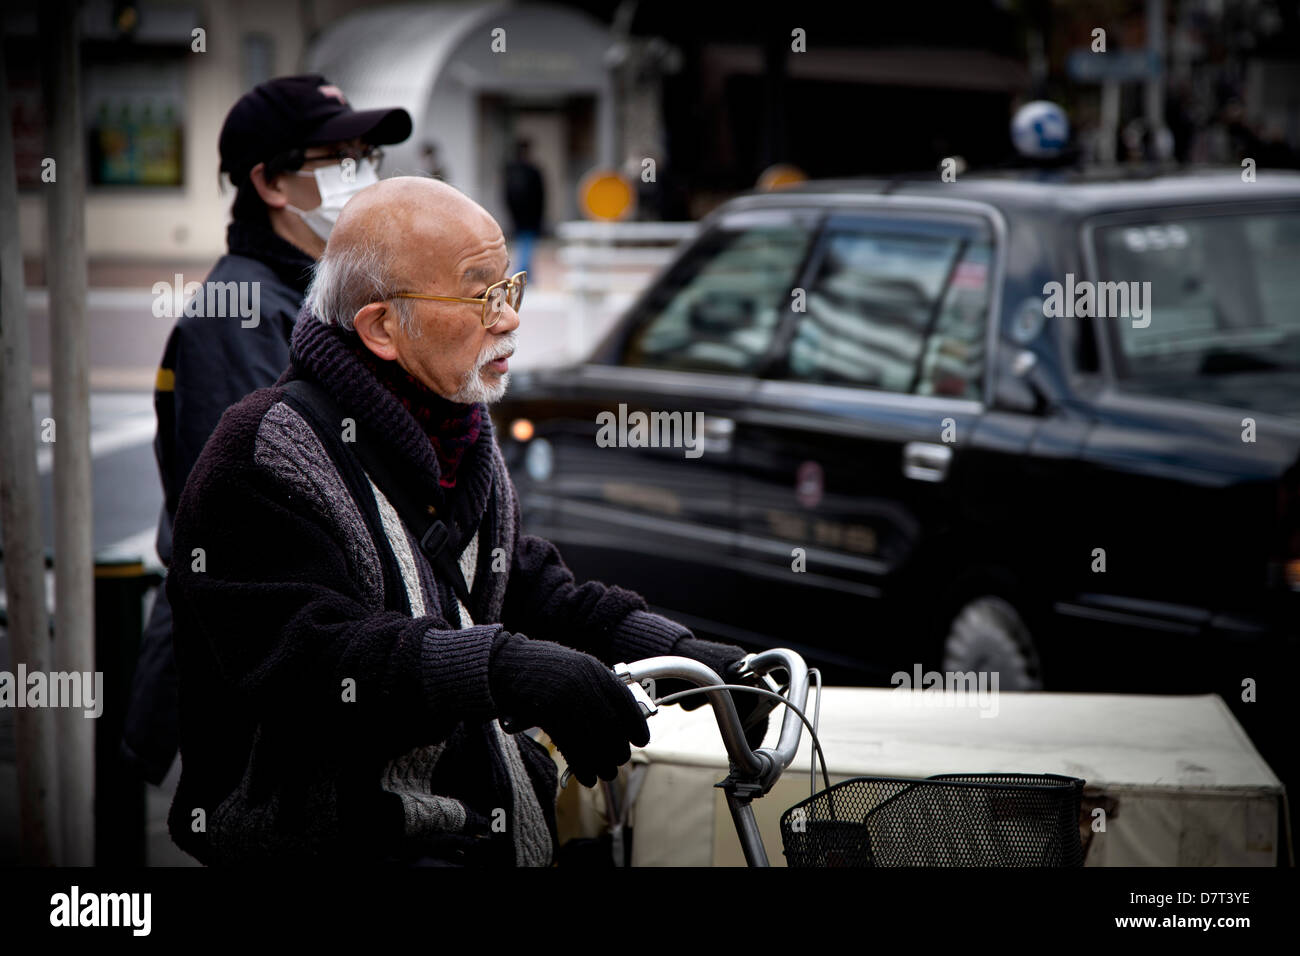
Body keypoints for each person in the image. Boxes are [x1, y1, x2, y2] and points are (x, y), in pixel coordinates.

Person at [164, 176, 767, 865]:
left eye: (510, 288)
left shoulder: (456, 425)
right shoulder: (262, 450)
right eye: (481, 296)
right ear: (382, 327)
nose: (509, 318)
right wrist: (504, 667)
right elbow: (317, 660)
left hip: (488, 827)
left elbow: (515, 579)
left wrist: (677, 654)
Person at [121, 75, 411, 786]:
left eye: (368, 156)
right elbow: (252, 513)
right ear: (270, 183)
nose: (362, 176)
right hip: (266, 681)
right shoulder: (240, 310)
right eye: (338, 159)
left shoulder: (321, 297)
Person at [503, 138, 544, 275]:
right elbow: (540, 197)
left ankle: (527, 275)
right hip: (530, 216)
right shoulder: (533, 171)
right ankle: (522, 275)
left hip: (517, 215)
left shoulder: (511, 170)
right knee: (526, 245)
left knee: (523, 245)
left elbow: (505, 195)